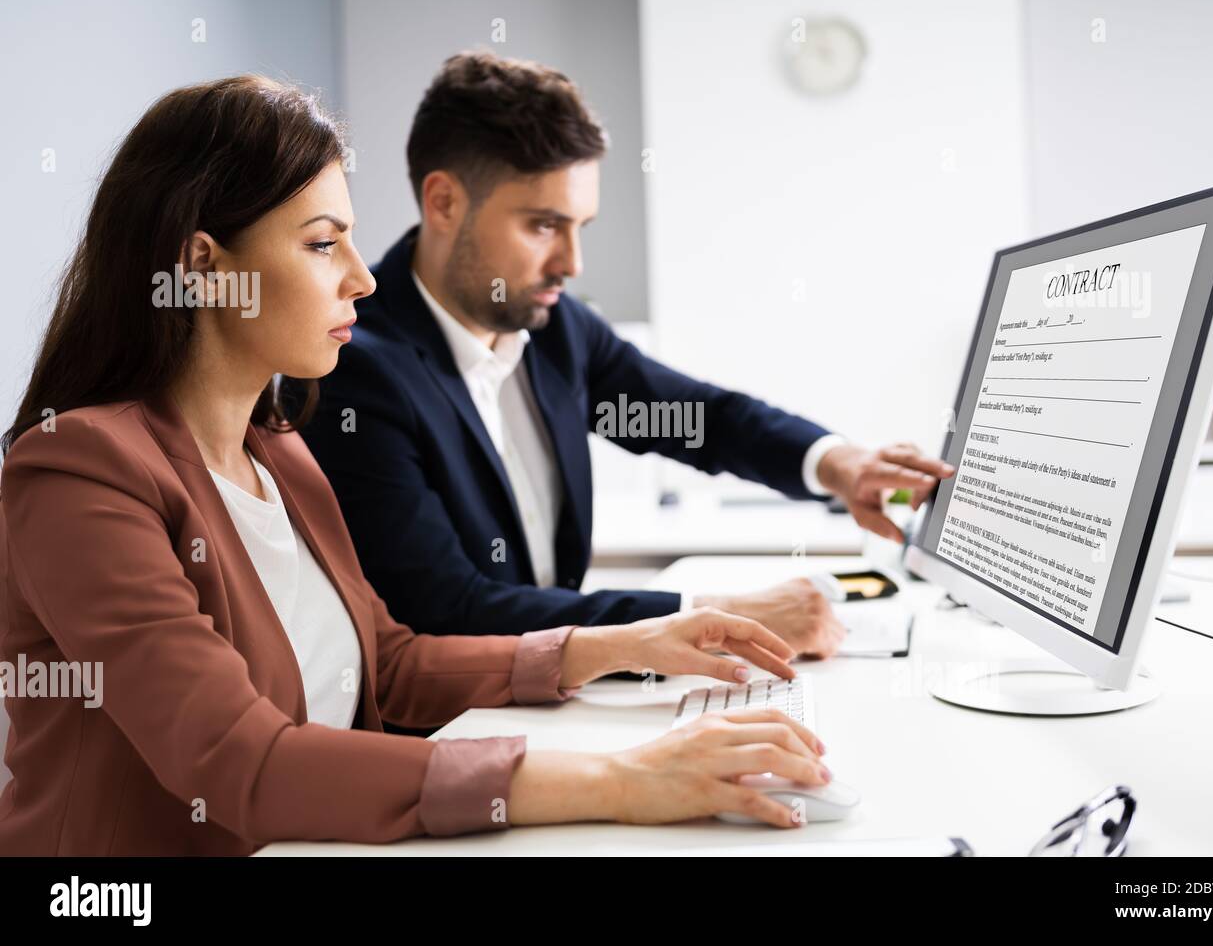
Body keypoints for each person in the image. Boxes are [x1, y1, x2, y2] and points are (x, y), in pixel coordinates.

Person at [0, 76, 831, 855]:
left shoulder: (280, 448)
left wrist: (621, 642)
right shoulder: (79, 473)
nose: (362, 279)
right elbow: (236, 760)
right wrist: (621, 777)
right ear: (203, 268)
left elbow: (389, 665)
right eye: (323, 244)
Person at [298, 51, 955, 662]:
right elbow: (449, 612)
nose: (572, 264)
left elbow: (698, 419)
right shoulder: (358, 370)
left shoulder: (556, 331)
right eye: (543, 225)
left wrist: (837, 463)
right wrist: (711, 615)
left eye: (580, 227)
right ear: (444, 202)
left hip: (557, 696)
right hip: (456, 732)